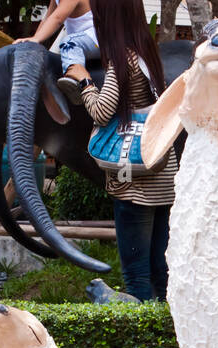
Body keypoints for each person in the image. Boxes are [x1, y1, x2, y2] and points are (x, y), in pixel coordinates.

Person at [64, 0, 177, 301]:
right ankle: (163, 332)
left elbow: (102, 113)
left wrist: (84, 81)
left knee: (136, 272)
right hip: (164, 178)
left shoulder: (122, 58)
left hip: (134, 182)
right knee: (160, 269)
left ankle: (139, 339)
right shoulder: (149, 53)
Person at [16, 0, 98, 99]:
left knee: (68, 42)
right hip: (80, 42)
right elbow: (48, 18)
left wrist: (36, 39)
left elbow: (57, 18)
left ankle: (76, 79)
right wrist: (34, 40)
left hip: (96, 39)